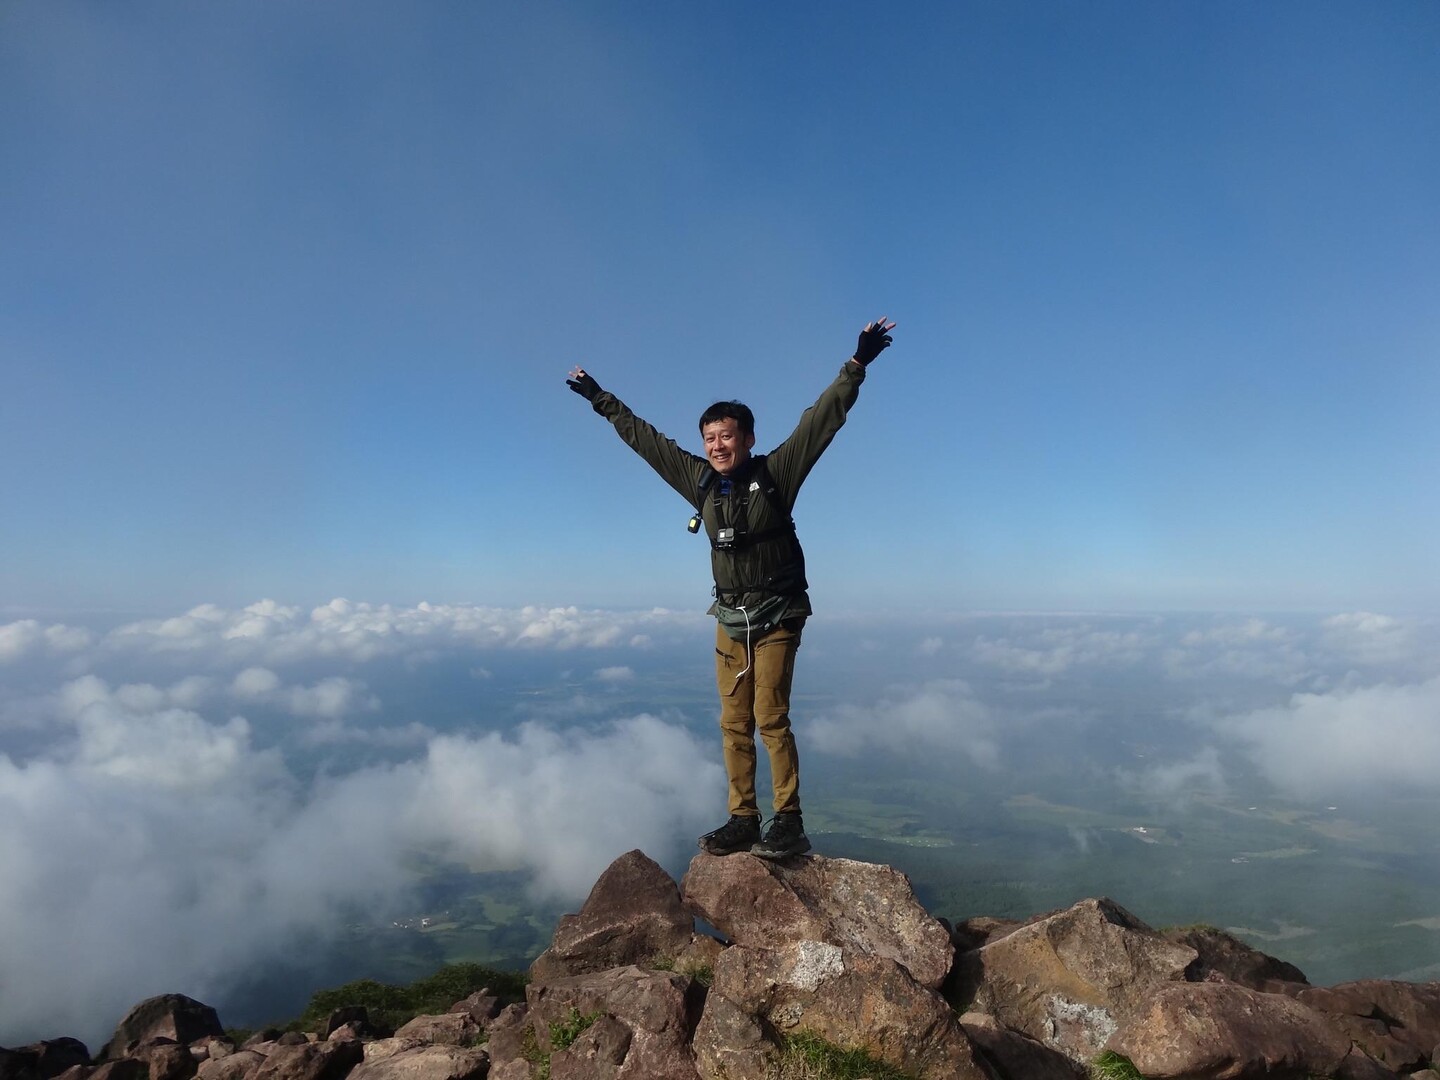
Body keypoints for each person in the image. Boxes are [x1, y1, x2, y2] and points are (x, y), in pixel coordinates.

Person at [565, 318, 896, 859]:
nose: (718, 446)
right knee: (733, 723)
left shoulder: (777, 474)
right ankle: (744, 817)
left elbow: (821, 422)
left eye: (727, 436)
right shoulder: (700, 482)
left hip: (779, 614)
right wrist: (601, 398)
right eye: (710, 438)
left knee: (770, 716)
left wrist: (855, 366)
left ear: (748, 439)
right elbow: (646, 441)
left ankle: (788, 821)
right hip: (729, 620)